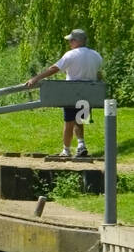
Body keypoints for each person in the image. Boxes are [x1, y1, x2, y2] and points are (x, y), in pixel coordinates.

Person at [26, 28, 104, 158]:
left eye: (71, 41)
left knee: (69, 122)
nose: (69, 43)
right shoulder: (96, 55)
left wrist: (36, 78)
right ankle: (81, 145)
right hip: (89, 91)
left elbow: (54, 69)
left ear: (77, 41)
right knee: (80, 119)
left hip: (72, 91)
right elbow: (98, 74)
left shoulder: (71, 55)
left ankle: (66, 150)